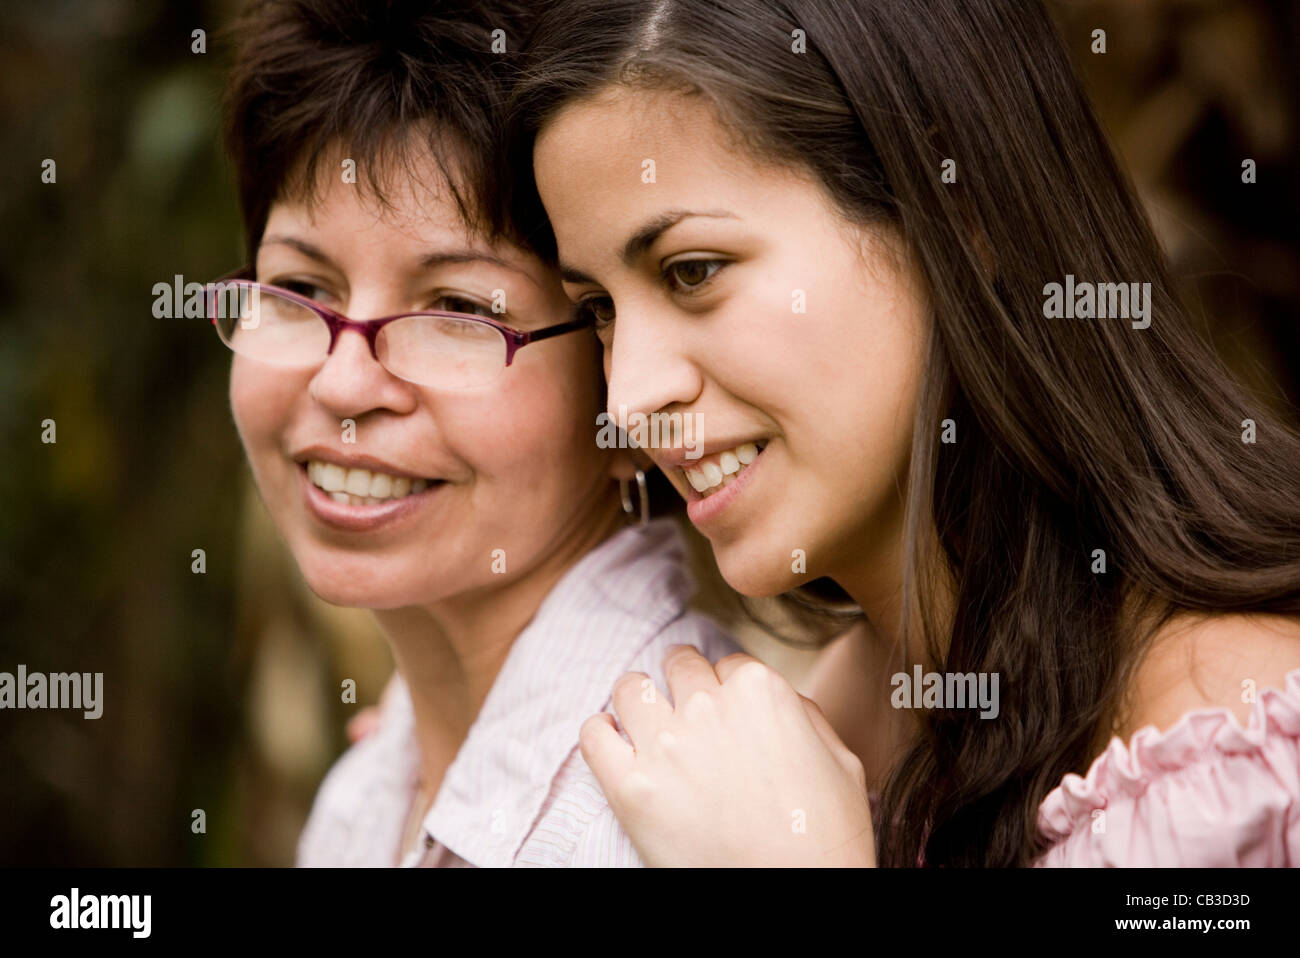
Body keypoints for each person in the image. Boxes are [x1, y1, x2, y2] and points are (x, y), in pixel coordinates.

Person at [510, 0, 1300, 866]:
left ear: (958, 216)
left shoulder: (1237, 756)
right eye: (600, 311)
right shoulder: (842, 714)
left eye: (693, 271)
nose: (629, 396)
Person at [216, 0, 739, 867]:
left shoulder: (676, 822)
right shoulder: (365, 797)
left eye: (458, 309)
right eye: (301, 286)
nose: (344, 383)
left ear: (622, 389)